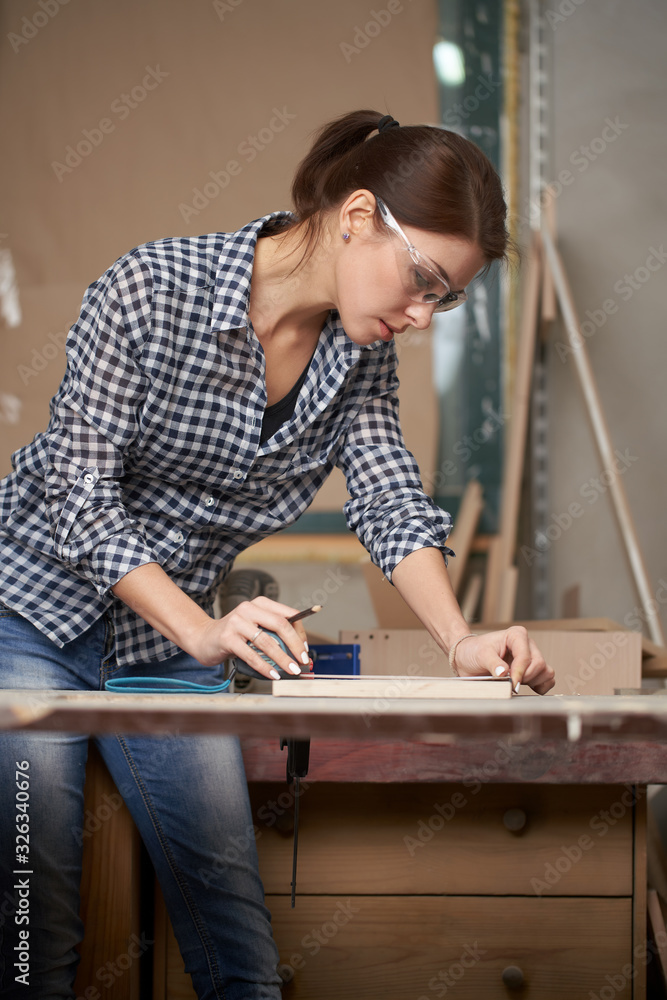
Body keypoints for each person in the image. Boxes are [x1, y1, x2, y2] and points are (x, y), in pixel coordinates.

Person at [0, 108, 555, 998]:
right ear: (358, 215)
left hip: (167, 647)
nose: (419, 316)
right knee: (33, 930)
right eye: (420, 282)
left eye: (442, 299)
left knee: (239, 952)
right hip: (30, 616)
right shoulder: (149, 286)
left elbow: (385, 497)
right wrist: (205, 631)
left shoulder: (358, 354)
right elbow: (81, 501)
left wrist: (461, 641)